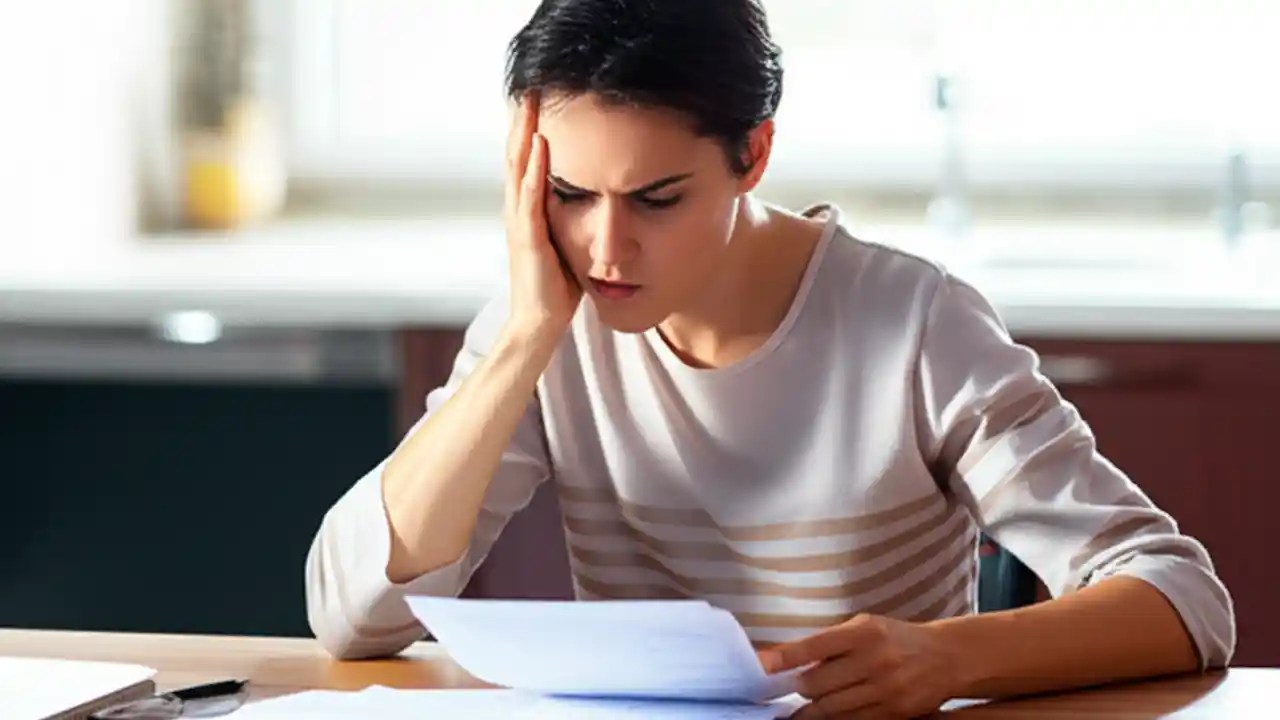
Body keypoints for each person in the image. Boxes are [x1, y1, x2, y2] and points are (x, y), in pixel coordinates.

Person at [305, 1, 1234, 716]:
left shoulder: (914, 326)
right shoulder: (549, 327)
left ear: (753, 154)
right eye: (570, 193)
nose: (605, 251)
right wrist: (520, 340)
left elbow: (1182, 597)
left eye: (657, 198)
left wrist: (947, 657)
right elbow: (354, 618)